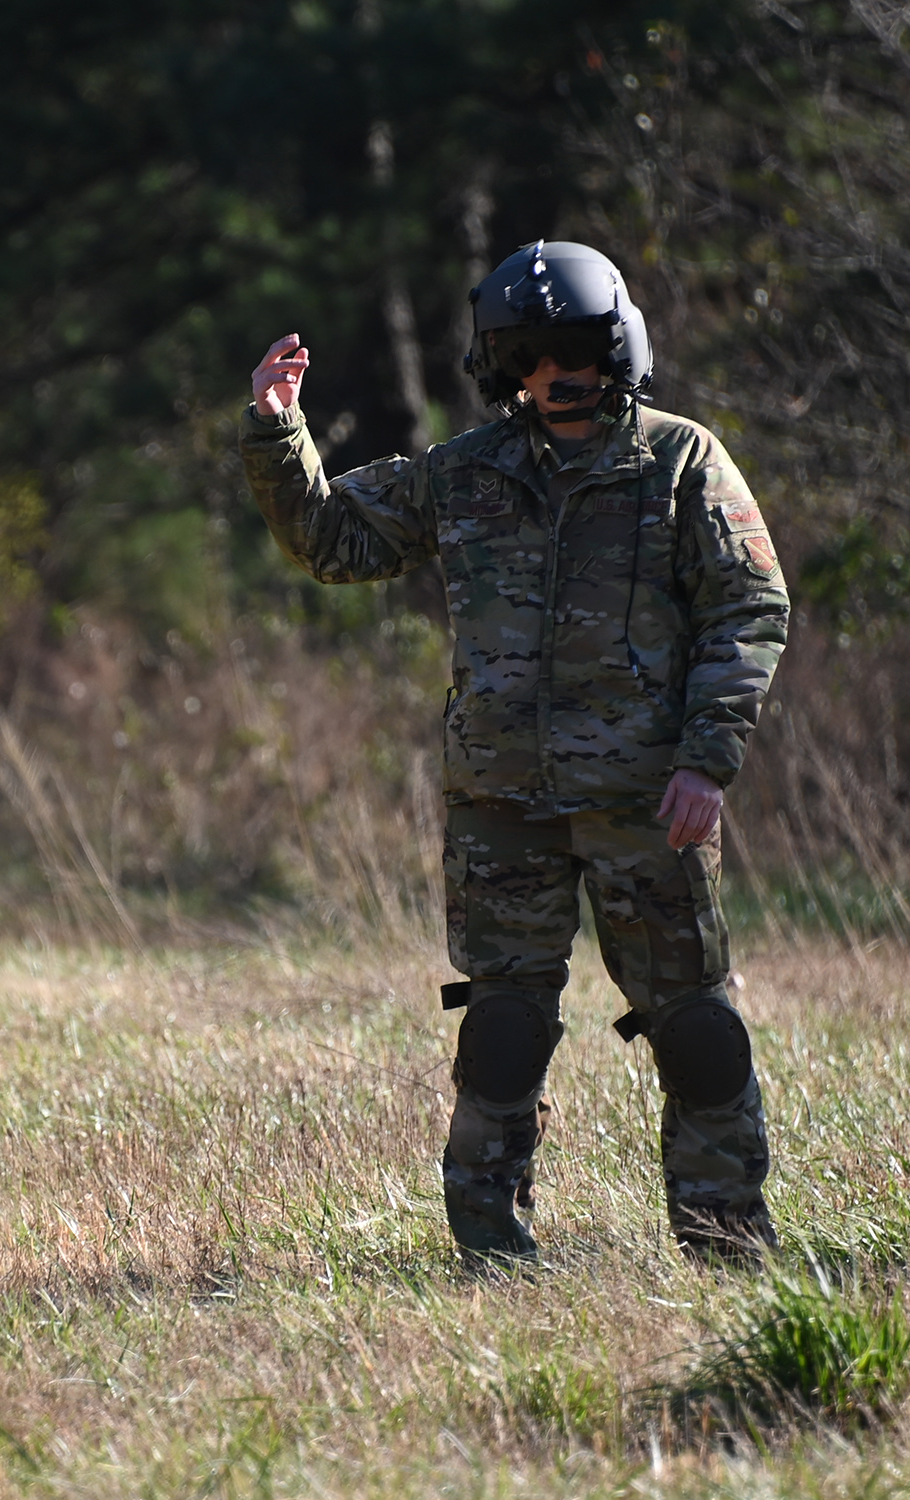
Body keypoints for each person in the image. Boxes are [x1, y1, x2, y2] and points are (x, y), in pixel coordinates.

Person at [239, 240, 788, 1266]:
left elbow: (749, 608)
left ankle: (729, 1247)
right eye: (530, 352)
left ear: (616, 345)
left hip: (645, 800)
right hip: (504, 803)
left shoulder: (680, 462)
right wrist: (279, 435)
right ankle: (491, 1250)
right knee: (501, 1029)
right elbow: (332, 541)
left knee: (696, 1029)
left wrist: (706, 759)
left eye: (576, 345)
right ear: (503, 367)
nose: (557, 370)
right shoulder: (465, 476)